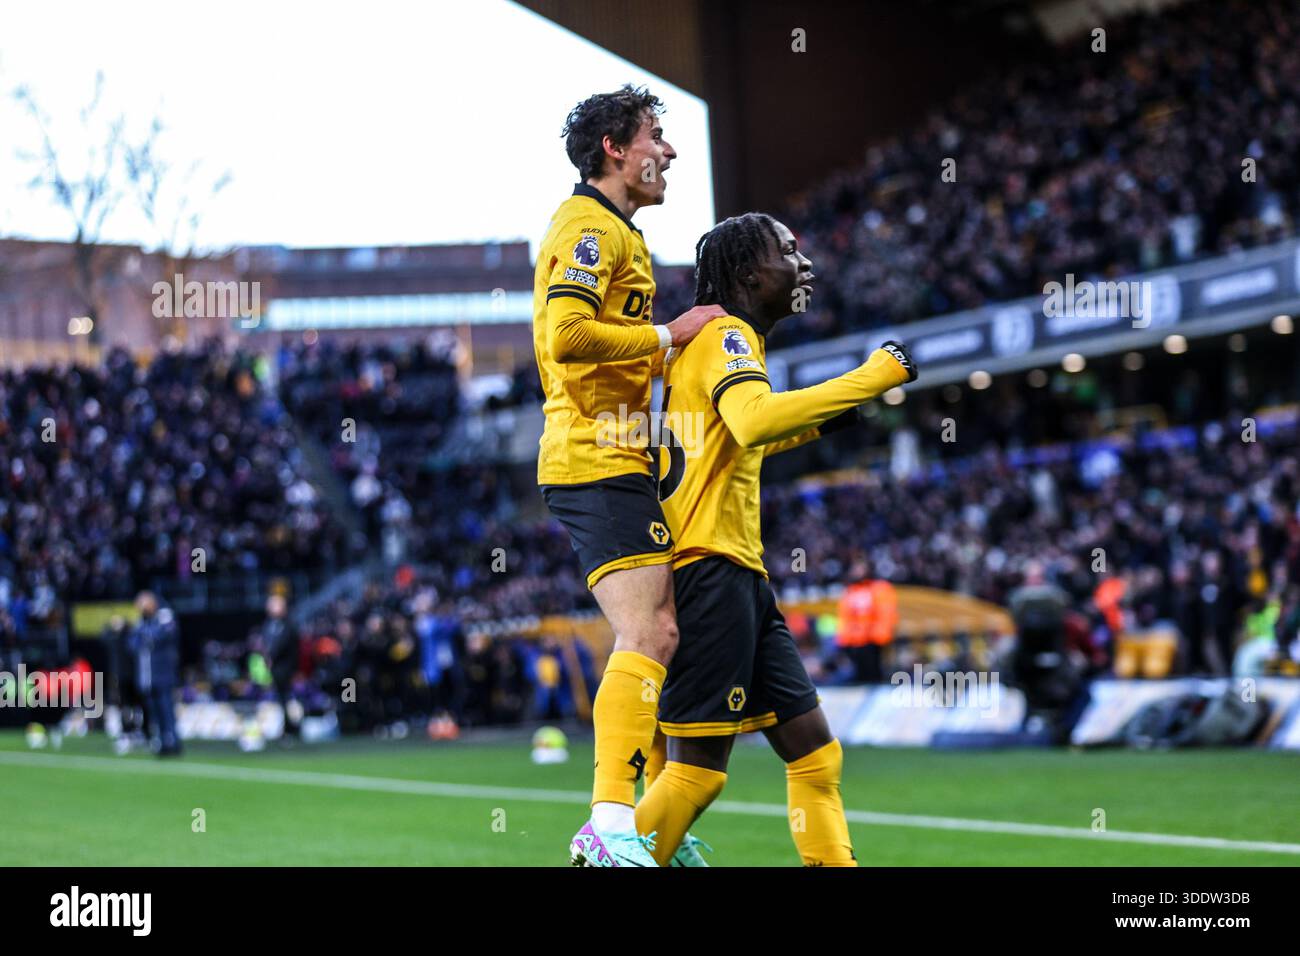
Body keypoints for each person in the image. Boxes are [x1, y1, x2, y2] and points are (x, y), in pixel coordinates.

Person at [634, 212, 917, 866]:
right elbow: (757, 421)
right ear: (746, 273)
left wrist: (837, 413)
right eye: (789, 251)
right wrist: (874, 375)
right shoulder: (725, 334)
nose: (805, 264)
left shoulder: (715, 345)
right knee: (696, 772)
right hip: (710, 573)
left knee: (816, 753)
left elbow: (743, 432)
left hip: (737, 576)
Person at [532, 84, 723, 867]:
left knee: (660, 634)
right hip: (591, 457)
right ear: (615, 146)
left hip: (621, 457)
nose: (669, 151)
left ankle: (634, 825)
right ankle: (609, 825)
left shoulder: (619, 234)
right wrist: (669, 334)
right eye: (656, 136)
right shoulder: (585, 226)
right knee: (649, 629)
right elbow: (569, 334)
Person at [129, 591, 182, 757]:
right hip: (147, 677)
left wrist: (145, 636)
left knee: (167, 709)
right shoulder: (141, 623)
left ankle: (172, 741)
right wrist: (144, 636)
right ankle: (160, 741)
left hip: (163, 674)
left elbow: (161, 636)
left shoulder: (163, 616)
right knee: (154, 713)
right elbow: (132, 645)